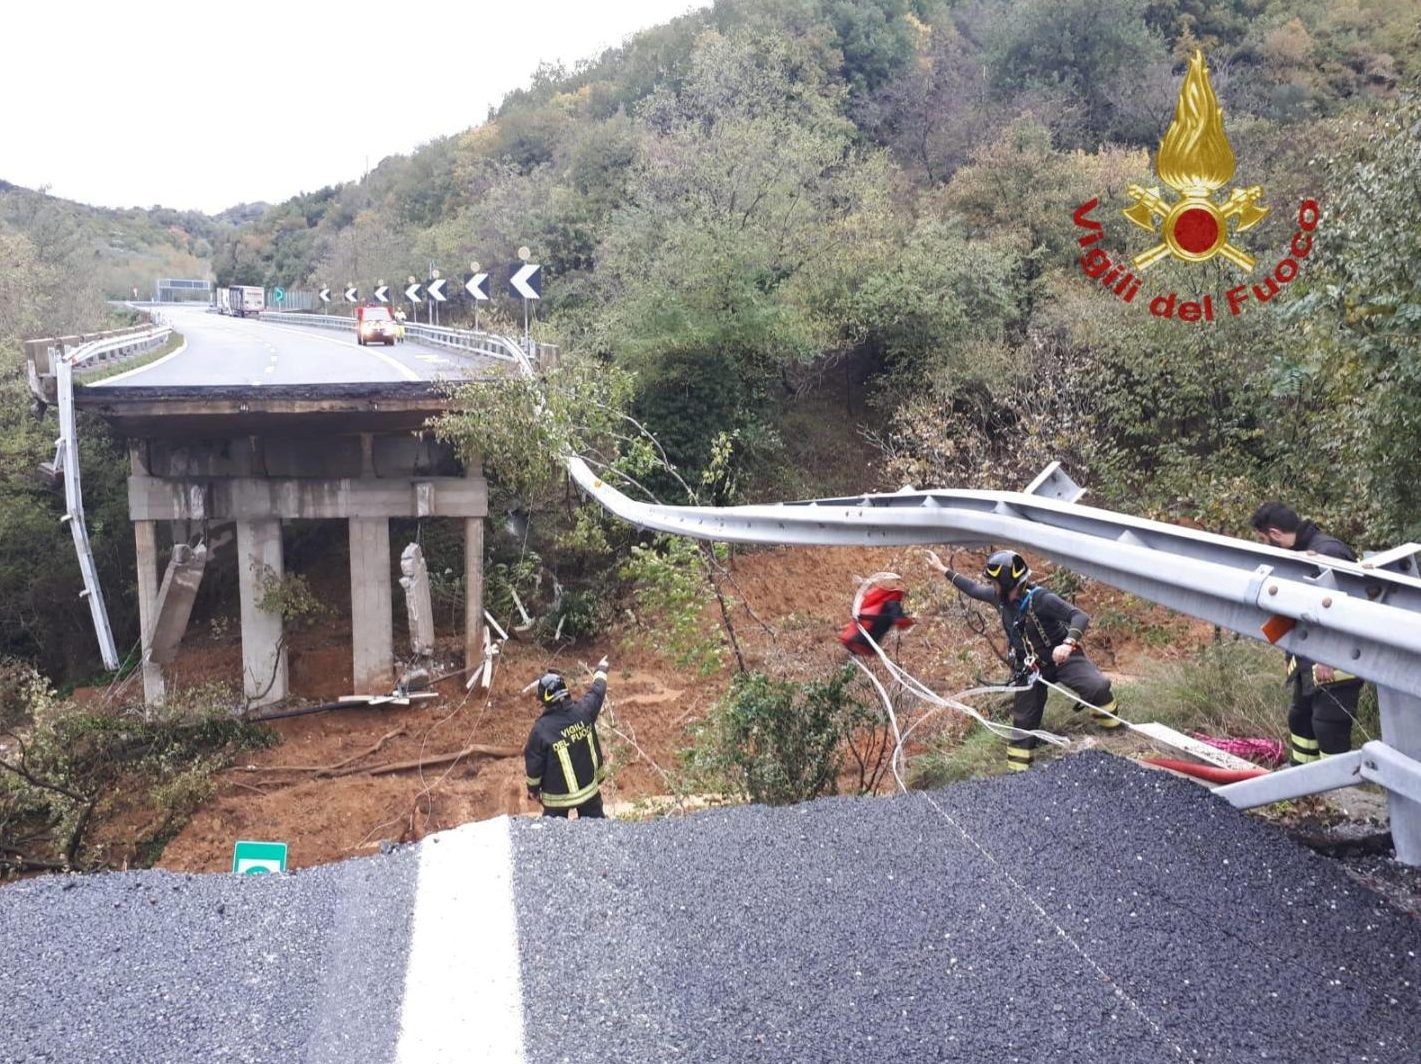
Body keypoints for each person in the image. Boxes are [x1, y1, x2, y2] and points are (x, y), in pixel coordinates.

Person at [925, 549, 1120, 772]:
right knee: (1023, 726)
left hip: (1061, 658)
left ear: (1008, 583)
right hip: (1031, 668)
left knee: (1097, 686)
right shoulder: (998, 599)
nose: (992, 587)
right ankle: (1018, 774)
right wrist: (942, 569)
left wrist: (1068, 644)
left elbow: (1079, 616)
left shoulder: (1041, 599)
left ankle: (1115, 733)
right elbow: (973, 589)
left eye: (996, 582)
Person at [1250, 502, 1364, 765]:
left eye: (1265, 540)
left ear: (1276, 534)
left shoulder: (1329, 552)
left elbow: (1350, 610)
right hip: (1308, 660)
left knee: (1328, 725)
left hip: (1336, 662)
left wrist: (1329, 656)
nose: (1266, 545)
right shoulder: (1299, 553)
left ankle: (1334, 789)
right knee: (1301, 721)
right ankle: (1302, 781)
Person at [524, 657, 611, 818]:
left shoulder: (540, 730)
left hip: (556, 800)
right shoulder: (584, 710)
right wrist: (601, 670)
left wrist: (533, 790)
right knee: (598, 833)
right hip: (588, 792)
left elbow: (534, 767)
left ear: (545, 699)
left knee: (554, 837)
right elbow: (598, 691)